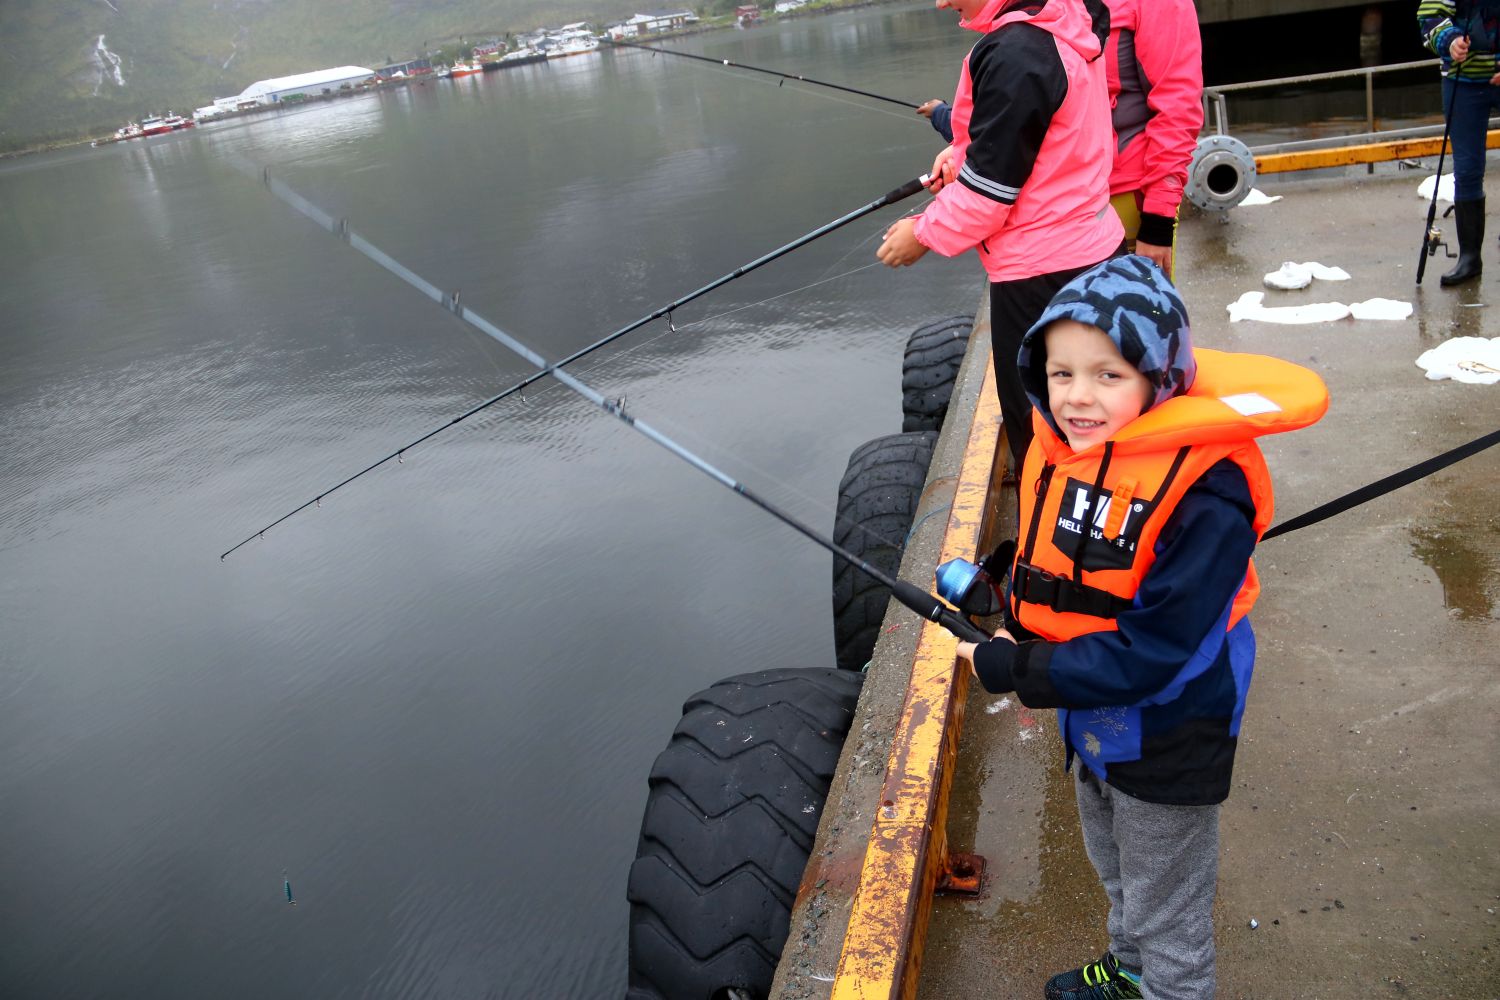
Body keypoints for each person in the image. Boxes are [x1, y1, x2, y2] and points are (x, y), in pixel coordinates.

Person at [954, 256, 1328, 1000]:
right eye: (1061, 374)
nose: (1077, 397)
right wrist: (1012, 602)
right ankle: (1129, 972)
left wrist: (1016, 671)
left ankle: (1168, 986)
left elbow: (1154, 651)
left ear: (1161, 379)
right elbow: (1066, 556)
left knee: (1168, 905)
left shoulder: (1209, 495)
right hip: (1094, 715)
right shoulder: (1077, 451)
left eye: (1108, 375)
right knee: (1114, 863)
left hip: (1169, 731)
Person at [879, 0, 1123, 472]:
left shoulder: (1015, 52)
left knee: (1043, 430)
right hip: (1094, 252)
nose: (940, 3)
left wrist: (921, 233)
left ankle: (1049, 511)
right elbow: (1048, 137)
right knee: (1091, 417)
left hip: (1041, 279)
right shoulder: (1065, 24)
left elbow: (988, 198)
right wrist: (961, 154)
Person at [915, 0, 1203, 278]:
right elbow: (1027, 105)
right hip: (1043, 218)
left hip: (1126, 201)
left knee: (1131, 310)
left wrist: (1158, 221)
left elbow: (1178, 107)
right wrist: (964, 151)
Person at [1419, 0, 1500, 286]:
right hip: (1462, 81)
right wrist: (1450, 40)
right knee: (1467, 171)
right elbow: (1430, 14)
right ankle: (1469, 258)